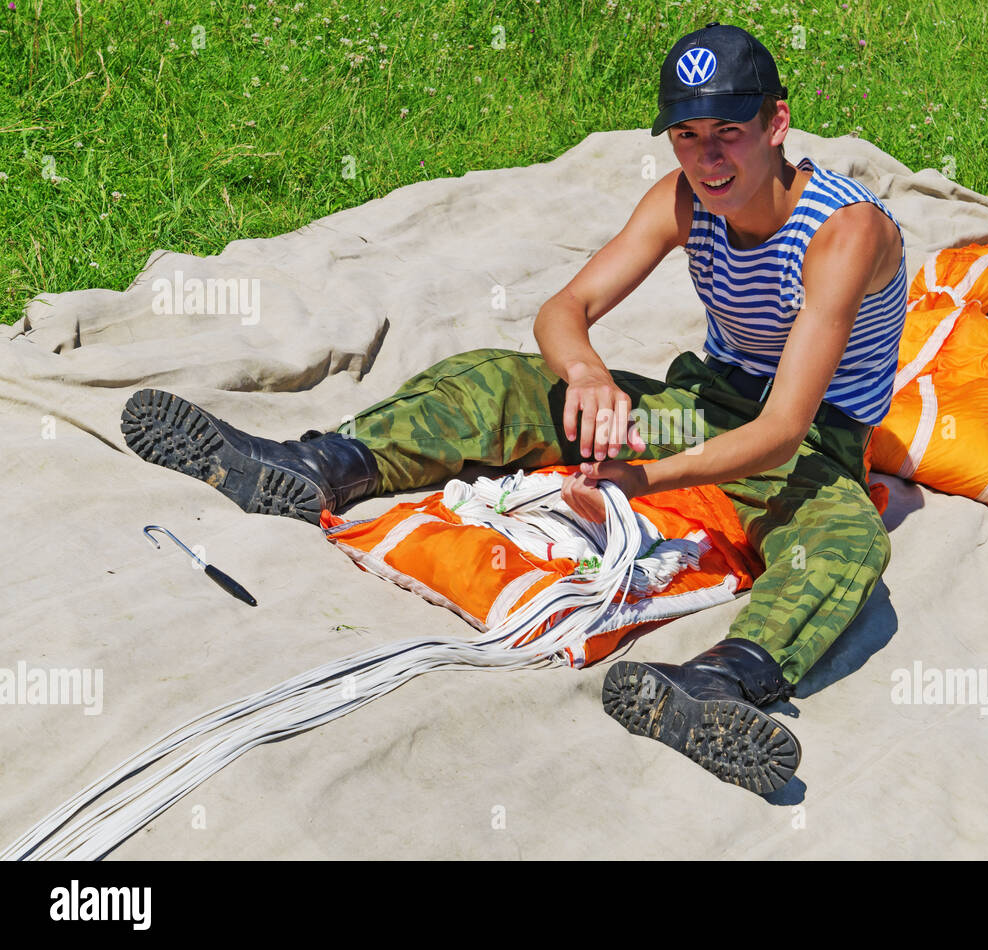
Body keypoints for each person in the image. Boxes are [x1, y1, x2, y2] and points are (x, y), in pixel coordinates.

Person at [120, 22, 906, 797]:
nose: (708, 159)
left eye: (729, 132)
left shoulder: (844, 233)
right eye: (687, 134)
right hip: (700, 405)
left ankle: (718, 685)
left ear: (777, 123)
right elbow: (565, 308)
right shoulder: (682, 201)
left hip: (808, 451)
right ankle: (319, 466)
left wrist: (643, 478)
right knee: (504, 380)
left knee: (847, 542)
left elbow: (781, 433)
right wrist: (587, 374)